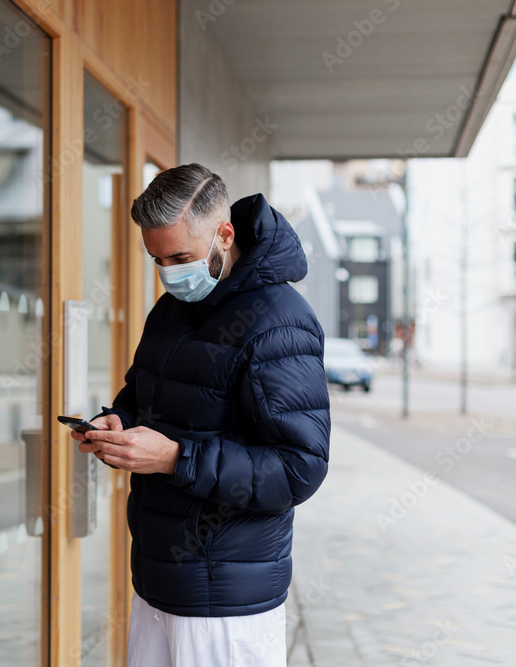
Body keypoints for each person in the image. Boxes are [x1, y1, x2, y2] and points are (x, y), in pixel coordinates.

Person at [71, 163, 331, 666]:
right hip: (157, 581)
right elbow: (141, 392)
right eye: (157, 260)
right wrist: (118, 423)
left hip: (227, 600)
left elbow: (300, 468)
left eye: (180, 257)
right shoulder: (171, 310)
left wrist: (174, 458)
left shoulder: (281, 322)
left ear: (225, 234)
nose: (169, 273)